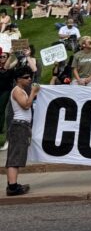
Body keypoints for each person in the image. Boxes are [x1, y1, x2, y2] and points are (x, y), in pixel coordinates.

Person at [6, 67, 37, 196]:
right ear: (18, 79)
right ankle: (13, 188)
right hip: (19, 127)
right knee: (15, 157)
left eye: (30, 76)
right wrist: (33, 92)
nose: (29, 79)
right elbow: (25, 105)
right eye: (26, 77)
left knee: (17, 156)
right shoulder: (17, 91)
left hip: (22, 126)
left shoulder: (22, 90)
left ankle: (12, 184)